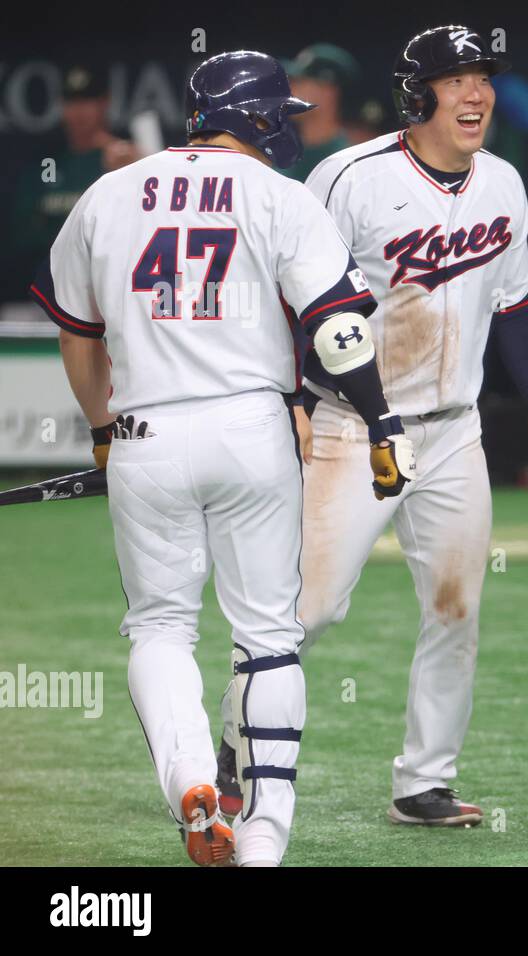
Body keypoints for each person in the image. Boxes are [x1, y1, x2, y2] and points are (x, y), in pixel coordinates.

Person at [29, 51, 412, 866]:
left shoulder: (109, 191)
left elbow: (76, 331)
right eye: (284, 114)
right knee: (267, 636)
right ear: (260, 118)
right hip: (252, 428)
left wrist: (102, 432)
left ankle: (192, 783)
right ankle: (265, 832)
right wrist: (382, 422)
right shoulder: (281, 195)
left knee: (161, 627)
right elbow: (340, 331)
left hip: (146, 431)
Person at [218, 25, 528, 828]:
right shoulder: (349, 177)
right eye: (456, 79)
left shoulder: (503, 181)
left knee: (455, 609)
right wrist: (292, 398)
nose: (475, 93)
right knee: (308, 609)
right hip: (352, 426)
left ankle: (423, 781)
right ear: (417, 94)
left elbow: (517, 300)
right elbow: (292, 297)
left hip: (454, 431)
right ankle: (233, 739)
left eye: (482, 78)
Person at [7, 65, 141, 300]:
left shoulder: (128, 162)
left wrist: (135, 170)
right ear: (61, 106)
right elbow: (22, 238)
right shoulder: (46, 167)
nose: (79, 111)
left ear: (104, 103)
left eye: (87, 101)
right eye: (72, 102)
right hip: (47, 294)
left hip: (111, 293)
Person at [282, 43, 361, 182]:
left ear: (327, 92)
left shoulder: (348, 163)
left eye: (299, 82)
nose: (289, 90)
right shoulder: (281, 155)